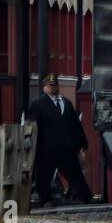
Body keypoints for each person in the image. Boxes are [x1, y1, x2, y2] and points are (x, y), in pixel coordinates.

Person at [27, 74, 90, 206]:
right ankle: (44, 199)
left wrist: (82, 143)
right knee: (44, 176)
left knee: (76, 175)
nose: (53, 87)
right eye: (50, 85)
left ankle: (86, 197)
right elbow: (32, 126)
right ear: (44, 87)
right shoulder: (37, 104)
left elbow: (75, 125)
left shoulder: (66, 104)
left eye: (55, 85)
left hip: (66, 148)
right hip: (47, 149)